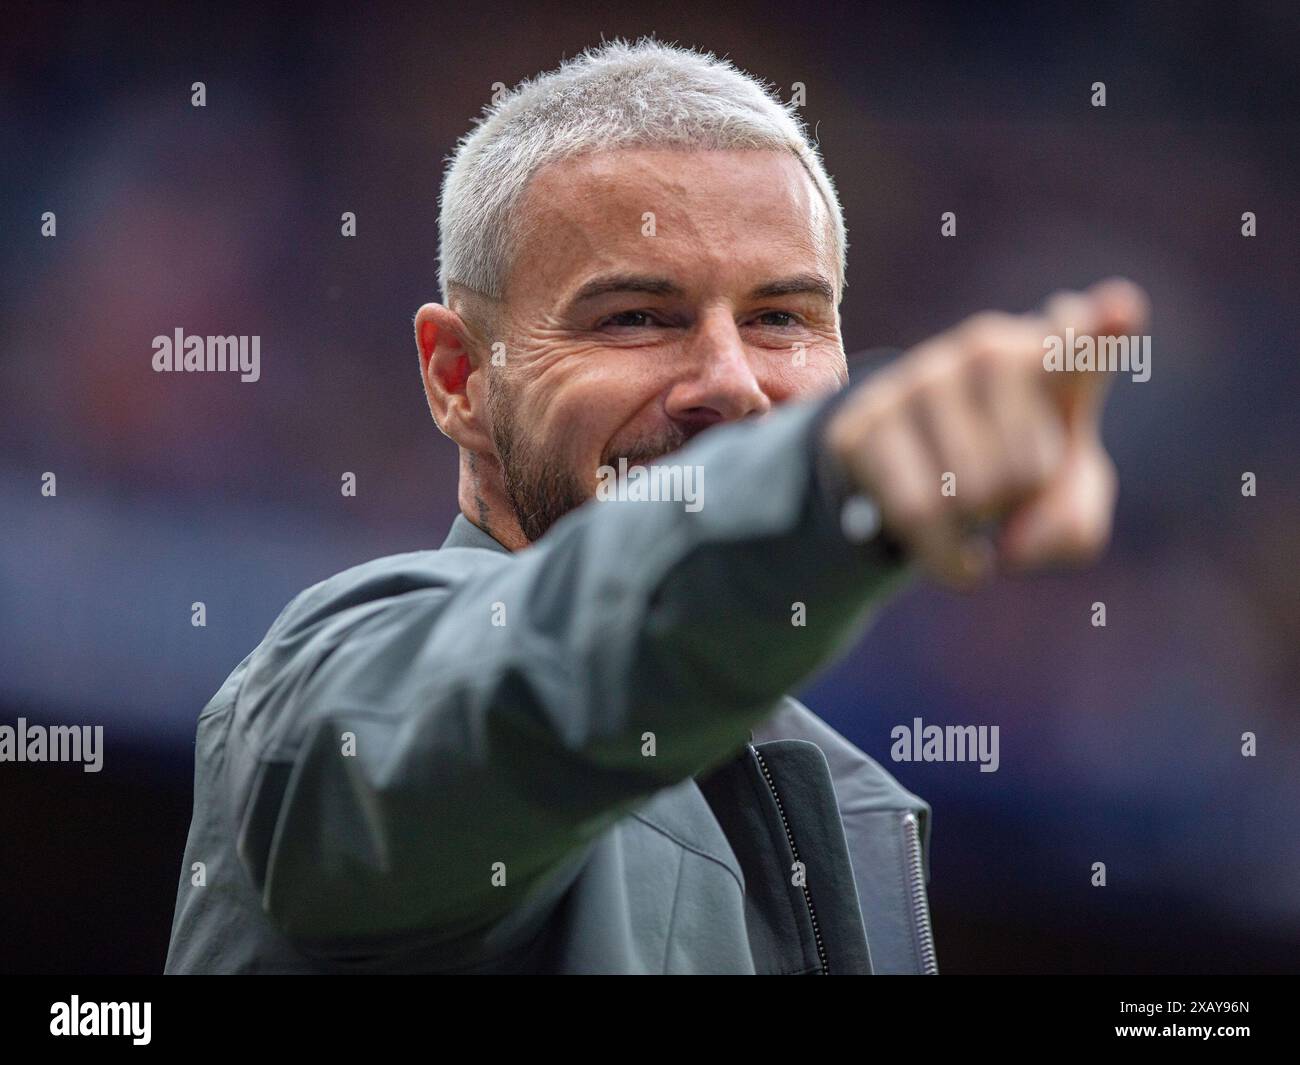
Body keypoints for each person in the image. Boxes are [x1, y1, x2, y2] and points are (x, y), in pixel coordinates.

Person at [164, 38, 1148, 974]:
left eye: (779, 318)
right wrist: (833, 483)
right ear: (459, 376)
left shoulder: (855, 807)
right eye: (635, 315)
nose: (731, 382)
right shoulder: (343, 693)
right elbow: (493, 704)